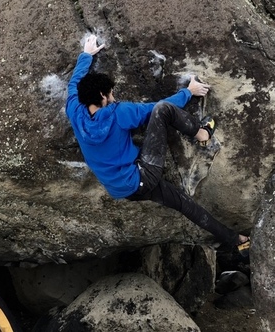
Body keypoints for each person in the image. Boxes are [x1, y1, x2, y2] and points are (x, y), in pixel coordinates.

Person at [66, 34, 249, 253]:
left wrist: (86, 55)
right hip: (141, 176)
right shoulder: (119, 113)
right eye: (111, 94)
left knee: (184, 204)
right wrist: (188, 92)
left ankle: (237, 240)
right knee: (163, 110)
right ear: (102, 96)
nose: (113, 97)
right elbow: (157, 108)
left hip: (122, 189)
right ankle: (202, 134)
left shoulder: (74, 111)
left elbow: (74, 83)